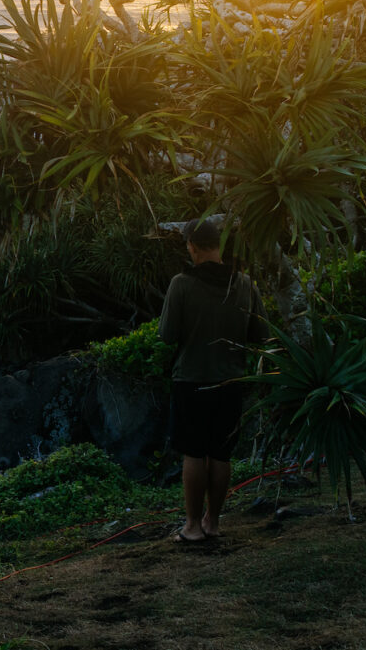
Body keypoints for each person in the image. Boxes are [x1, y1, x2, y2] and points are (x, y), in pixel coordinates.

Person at [158, 219, 266, 544]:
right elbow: (261, 333)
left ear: (192, 247)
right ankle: (213, 522)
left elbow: (166, 335)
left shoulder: (181, 284)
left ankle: (192, 526)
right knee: (221, 454)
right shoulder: (245, 284)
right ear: (219, 246)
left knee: (194, 452)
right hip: (231, 381)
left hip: (191, 380)